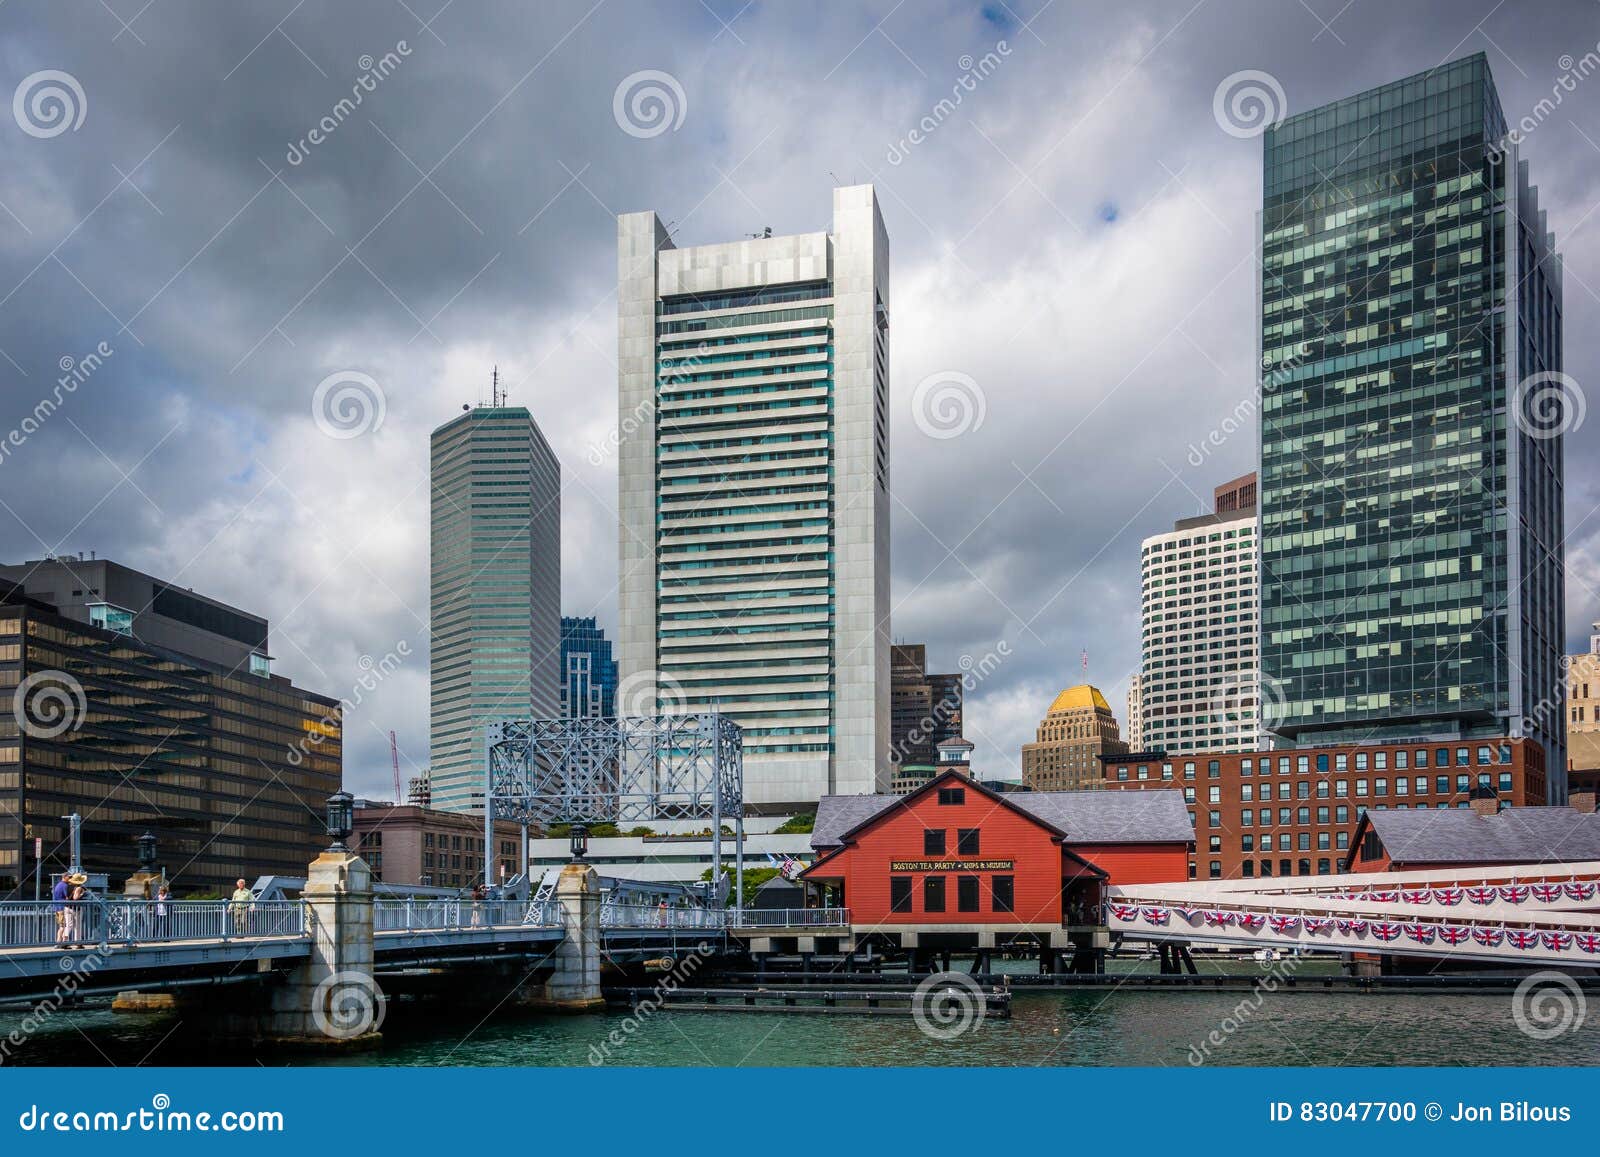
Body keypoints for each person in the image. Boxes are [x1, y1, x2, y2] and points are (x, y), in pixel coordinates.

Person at [63, 874, 88, 948]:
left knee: (68, 925)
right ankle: (78, 943)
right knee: (77, 926)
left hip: (67, 907)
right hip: (76, 909)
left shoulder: (68, 886)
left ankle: (65, 942)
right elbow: (75, 898)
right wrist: (82, 893)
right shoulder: (78, 888)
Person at [50, 873, 70, 946]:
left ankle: (59, 942)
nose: (69, 878)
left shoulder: (58, 885)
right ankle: (59, 943)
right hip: (62, 908)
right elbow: (66, 897)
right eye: (68, 877)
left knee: (61, 926)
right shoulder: (65, 885)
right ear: (64, 877)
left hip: (56, 908)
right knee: (63, 926)